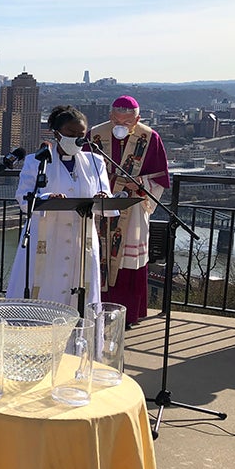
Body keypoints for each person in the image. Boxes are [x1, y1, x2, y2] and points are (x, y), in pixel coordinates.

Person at [6, 106, 112, 309]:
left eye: (81, 135)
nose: (77, 140)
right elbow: (23, 198)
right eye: (71, 134)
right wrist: (47, 197)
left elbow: (105, 195)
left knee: (80, 292)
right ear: (56, 133)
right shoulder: (36, 161)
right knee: (45, 289)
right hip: (47, 238)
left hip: (82, 240)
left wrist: (102, 197)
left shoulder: (95, 162)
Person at [89, 96, 171, 329]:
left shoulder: (149, 137)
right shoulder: (95, 135)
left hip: (133, 207)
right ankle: (95, 308)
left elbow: (160, 176)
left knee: (128, 260)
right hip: (100, 205)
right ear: (110, 116)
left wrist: (141, 184)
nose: (121, 125)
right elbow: (83, 168)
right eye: (117, 119)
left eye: (128, 122)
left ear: (138, 119)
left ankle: (127, 314)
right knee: (98, 254)